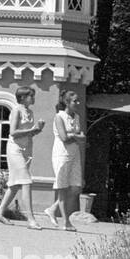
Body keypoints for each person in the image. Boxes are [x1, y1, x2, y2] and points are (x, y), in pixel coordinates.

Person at [0, 85, 44, 228]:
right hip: (15, 149)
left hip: (27, 149)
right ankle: (31, 219)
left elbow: (29, 132)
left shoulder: (30, 112)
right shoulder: (16, 110)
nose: (33, 98)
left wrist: (37, 130)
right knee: (26, 181)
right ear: (22, 97)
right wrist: (32, 129)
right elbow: (13, 132)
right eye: (31, 96)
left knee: (15, 185)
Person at [44, 89, 86, 231]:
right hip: (61, 155)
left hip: (75, 154)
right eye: (75, 101)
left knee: (75, 187)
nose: (78, 103)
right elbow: (64, 138)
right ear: (67, 102)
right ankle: (66, 222)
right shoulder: (59, 117)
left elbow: (77, 136)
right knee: (62, 188)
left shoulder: (77, 117)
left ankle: (52, 209)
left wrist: (73, 135)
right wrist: (75, 135)